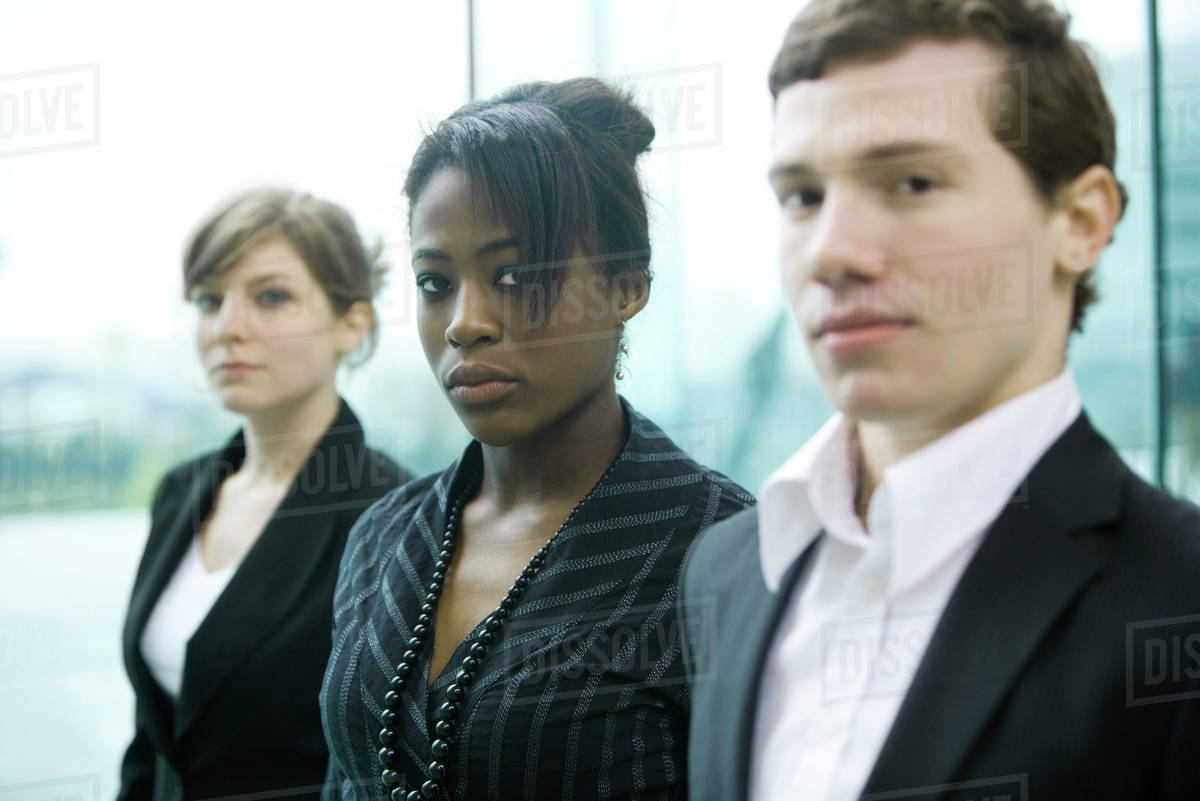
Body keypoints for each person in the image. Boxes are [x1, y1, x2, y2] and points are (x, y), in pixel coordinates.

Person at [681, 1, 1200, 799]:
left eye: (912, 181)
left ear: (1080, 221)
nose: (830, 252)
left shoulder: (1179, 599)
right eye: (802, 195)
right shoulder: (725, 570)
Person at [319, 77, 753, 801]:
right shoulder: (381, 536)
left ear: (627, 284)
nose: (466, 322)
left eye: (516, 274)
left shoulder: (722, 549)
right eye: (435, 283)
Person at [118, 188, 409, 801]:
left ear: (352, 323)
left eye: (270, 297)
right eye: (208, 300)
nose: (227, 328)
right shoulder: (181, 491)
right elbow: (154, 738)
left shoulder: (395, 515)